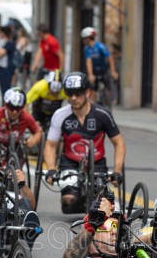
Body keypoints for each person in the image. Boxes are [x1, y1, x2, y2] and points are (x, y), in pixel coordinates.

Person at [43, 72, 126, 214]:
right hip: (69, 161)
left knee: (102, 205)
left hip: (97, 161)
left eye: (78, 94)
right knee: (69, 203)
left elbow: (119, 143)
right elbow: (51, 145)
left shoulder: (102, 114)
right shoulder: (60, 115)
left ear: (87, 92)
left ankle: (91, 199)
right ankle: (80, 198)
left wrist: (117, 171)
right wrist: (51, 169)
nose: (73, 98)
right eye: (70, 94)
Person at [80, 27, 118, 107]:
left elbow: (110, 58)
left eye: (84, 39)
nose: (83, 41)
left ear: (88, 38)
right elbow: (88, 61)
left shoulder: (100, 46)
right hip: (94, 71)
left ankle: (109, 100)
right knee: (92, 88)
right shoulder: (86, 49)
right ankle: (91, 105)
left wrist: (113, 71)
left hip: (104, 70)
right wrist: (90, 75)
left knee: (108, 85)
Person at [0, 25, 16, 97]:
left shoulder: (9, 43)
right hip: (0, 67)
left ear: (3, 33)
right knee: (3, 90)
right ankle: (4, 105)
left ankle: (6, 106)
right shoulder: (0, 42)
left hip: (6, 69)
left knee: (6, 90)